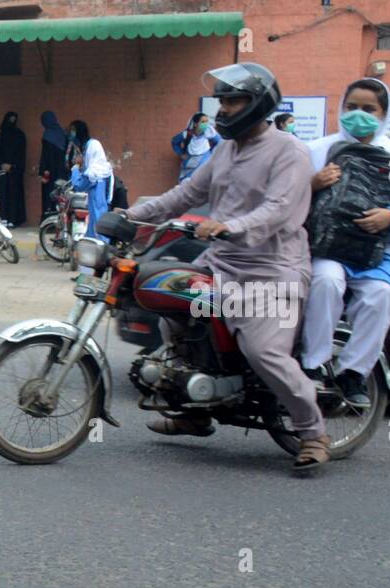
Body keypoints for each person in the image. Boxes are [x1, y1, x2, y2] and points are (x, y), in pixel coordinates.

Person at [125, 62, 331, 474]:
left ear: (258, 104)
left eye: (234, 100)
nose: (224, 109)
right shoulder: (224, 150)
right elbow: (184, 194)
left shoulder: (290, 151)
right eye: (221, 101)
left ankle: (313, 432)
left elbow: (278, 210)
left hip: (273, 270)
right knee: (174, 318)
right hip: (221, 264)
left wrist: (230, 225)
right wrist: (130, 215)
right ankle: (196, 413)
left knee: (263, 352)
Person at [300, 78, 390, 408]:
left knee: (381, 295)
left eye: (368, 109)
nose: (358, 115)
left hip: (376, 249)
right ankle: (313, 363)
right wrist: (313, 183)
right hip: (329, 245)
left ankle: (354, 372)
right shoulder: (319, 149)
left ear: (383, 114)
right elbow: (287, 195)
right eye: (351, 107)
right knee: (327, 281)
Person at [67, 120, 112, 239]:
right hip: (97, 196)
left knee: (97, 225)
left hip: (97, 197)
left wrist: (76, 168)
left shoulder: (94, 173)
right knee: (94, 223)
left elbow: (79, 185)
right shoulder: (100, 170)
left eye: (73, 130)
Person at [0, 110, 27, 226]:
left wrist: (13, 165)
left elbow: (22, 154)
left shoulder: (20, 135)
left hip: (14, 172)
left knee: (13, 195)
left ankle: (13, 219)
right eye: (10, 119)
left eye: (13, 119)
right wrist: (1, 164)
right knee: (2, 194)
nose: (12, 122)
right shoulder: (0, 136)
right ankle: (2, 219)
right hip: (1, 172)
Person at [37, 110, 69, 222]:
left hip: (50, 173)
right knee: (60, 196)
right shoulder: (62, 133)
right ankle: (61, 220)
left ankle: (48, 221)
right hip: (62, 172)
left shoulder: (47, 135)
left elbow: (46, 156)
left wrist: (43, 173)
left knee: (49, 195)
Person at [171, 112, 220, 183]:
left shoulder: (209, 133)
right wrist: (181, 153)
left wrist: (212, 153)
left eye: (207, 121)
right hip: (189, 169)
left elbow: (219, 142)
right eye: (203, 122)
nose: (205, 124)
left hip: (204, 168)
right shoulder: (186, 134)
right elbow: (174, 142)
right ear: (195, 124)